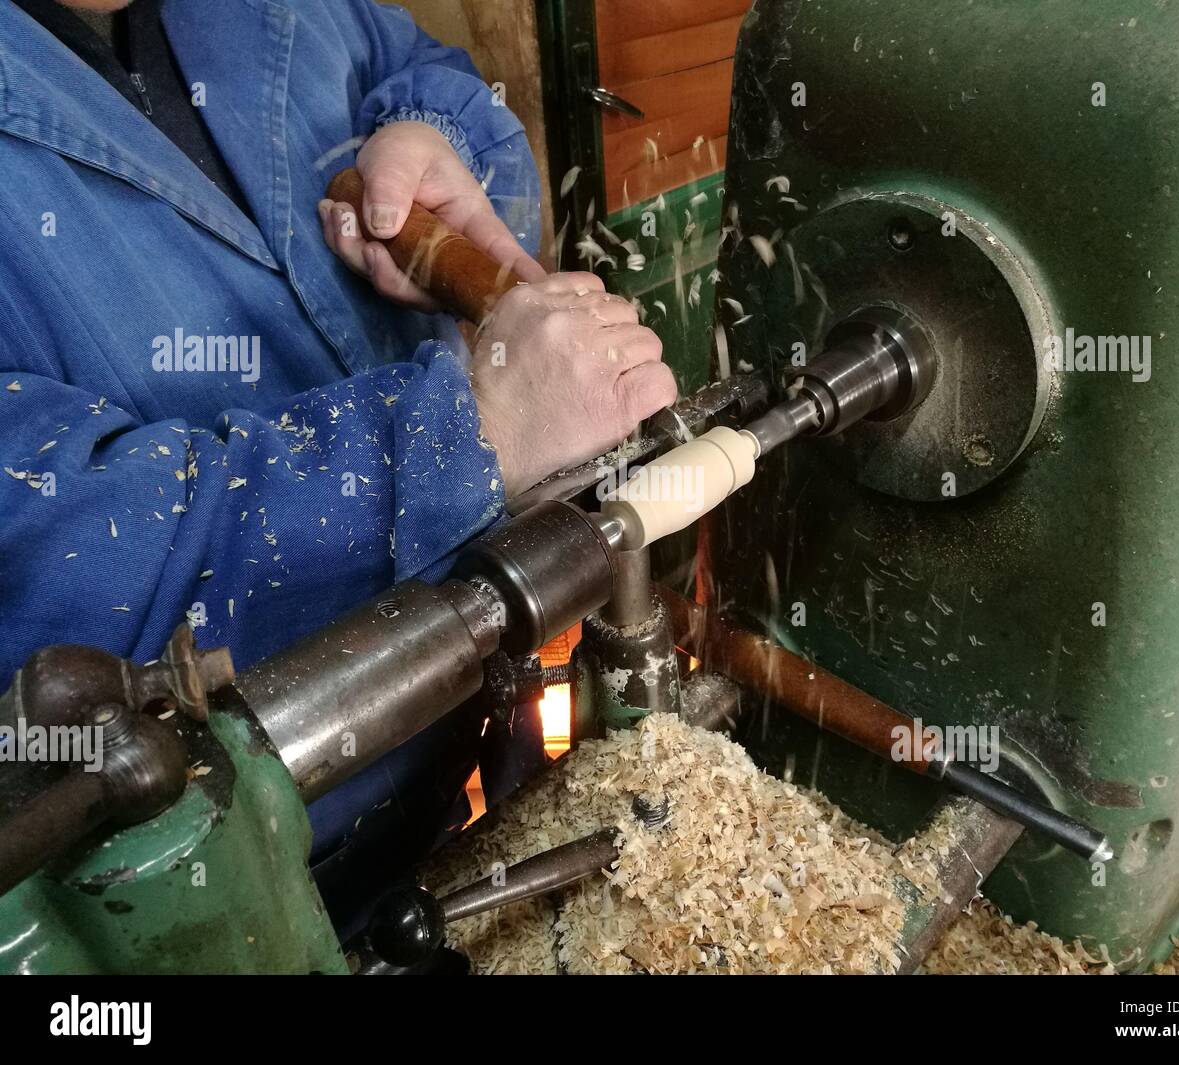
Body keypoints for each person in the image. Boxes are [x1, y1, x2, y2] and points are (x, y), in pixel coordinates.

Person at [0, 0, 676, 920]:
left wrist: (434, 141)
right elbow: (51, 564)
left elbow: (427, 72)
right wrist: (464, 436)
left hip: (482, 740)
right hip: (254, 890)